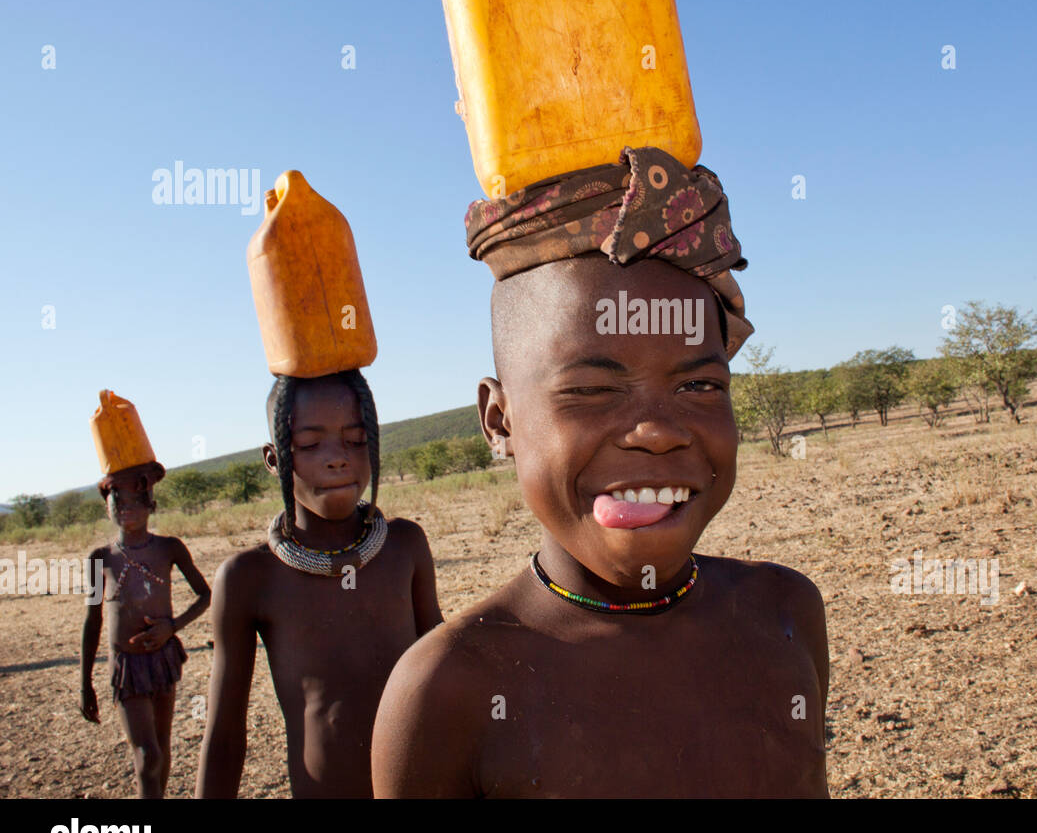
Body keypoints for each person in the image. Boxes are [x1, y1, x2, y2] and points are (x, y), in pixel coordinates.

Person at [373, 147, 829, 797]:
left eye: (700, 384)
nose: (658, 430)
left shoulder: (786, 613)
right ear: (499, 422)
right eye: (591, 391)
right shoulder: (448, 688)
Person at [196, 369, 442, 798]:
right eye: (310, 445)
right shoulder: (249, 579)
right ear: (274, 460)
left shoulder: (405, 546)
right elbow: (225, 734)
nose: (338, 458)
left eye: (356, 439)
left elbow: (444, 669)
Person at [81, 461, 210, 798]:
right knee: (147, 754)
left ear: (151, 504)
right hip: (127, 666)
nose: (127, 509)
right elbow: (93, 621)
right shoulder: (101, 559)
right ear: (107, 507)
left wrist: (172, 627)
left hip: (163, 660)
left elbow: (205, 595)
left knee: (161, 751)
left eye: (136, 501)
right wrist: (85, 684)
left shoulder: (169, 548)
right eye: (118, 502)